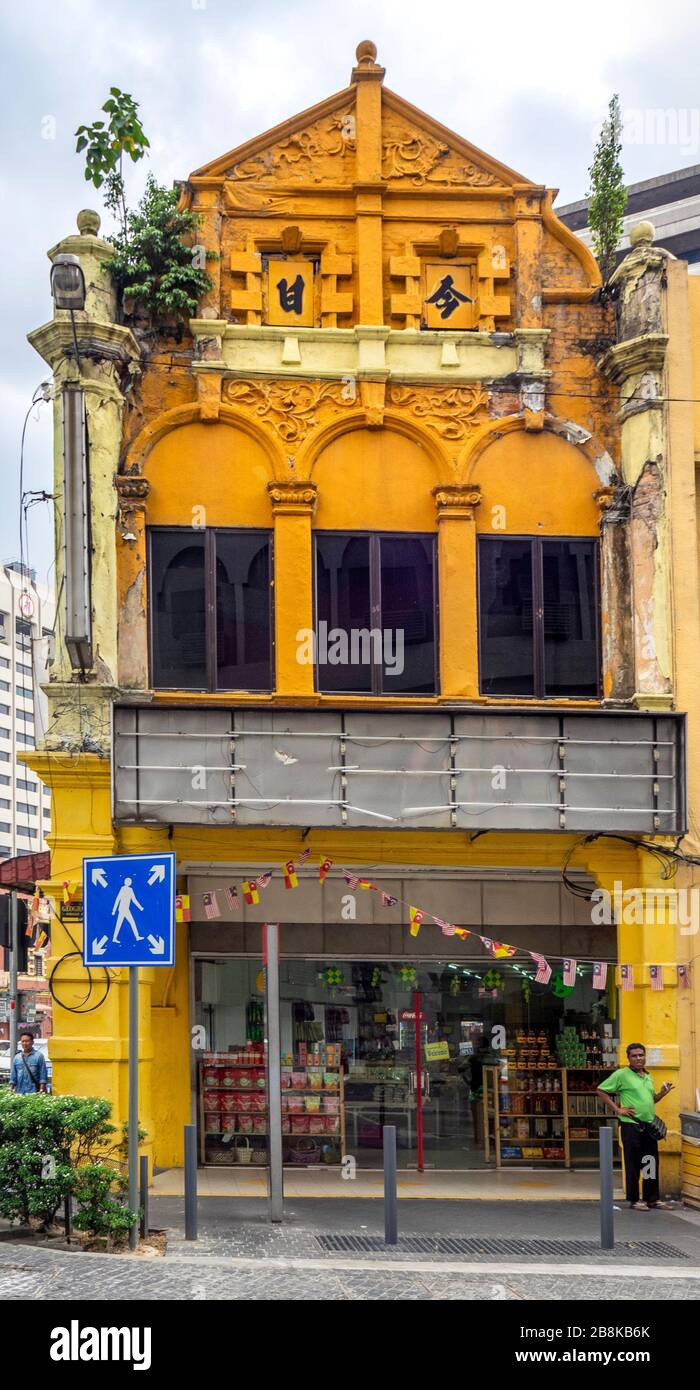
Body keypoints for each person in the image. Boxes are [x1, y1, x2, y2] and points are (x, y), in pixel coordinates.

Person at [597, 1042, 674, 1210]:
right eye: (635, 1056)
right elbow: (601, 1090)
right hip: (631, 1125)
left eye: (641, 1055)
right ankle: (634, 1200)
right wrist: (618, 1109)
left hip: (649, 1125)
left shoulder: (648, 1076)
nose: (639, 1058)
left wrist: (662, 1093)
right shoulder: (622, 1074)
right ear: (628, 1058)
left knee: (650, 1162)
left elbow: (651, 1099)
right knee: (633, 1163)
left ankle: (651, 1199)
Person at [9, 1030, 48, 1095]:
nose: (24, 1043)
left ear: (32, 1042)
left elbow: (43, 1075)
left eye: (27, 1041)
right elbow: (13, 1077)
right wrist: (11, 1090)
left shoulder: (39, 1056)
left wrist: (41, 1090)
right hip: (19, 1092)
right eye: (23, 1041)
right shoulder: (17, 1057)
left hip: (34, 1092)